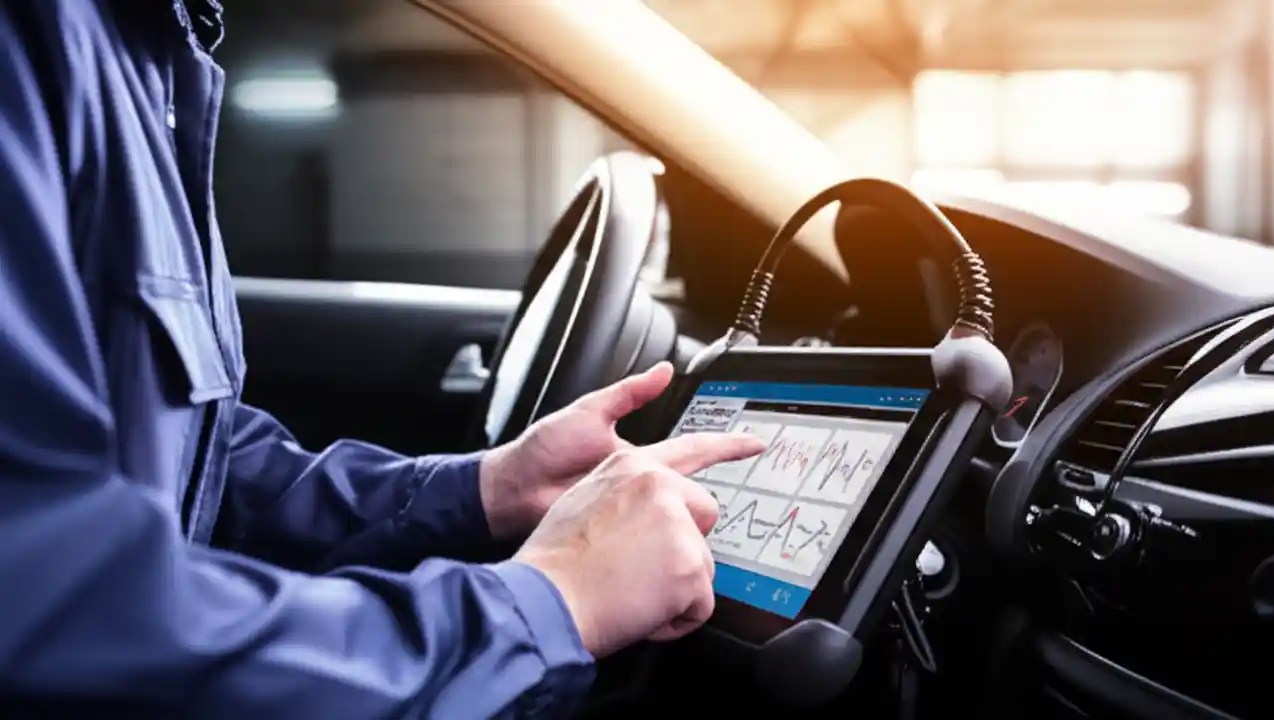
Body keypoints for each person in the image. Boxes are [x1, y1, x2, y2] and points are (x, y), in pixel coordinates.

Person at [0, 2, 764, 717]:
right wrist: (547, 606)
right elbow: (51, 602)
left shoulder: (148, 48)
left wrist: (486, 488)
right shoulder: (35, 41)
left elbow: (193, 461)